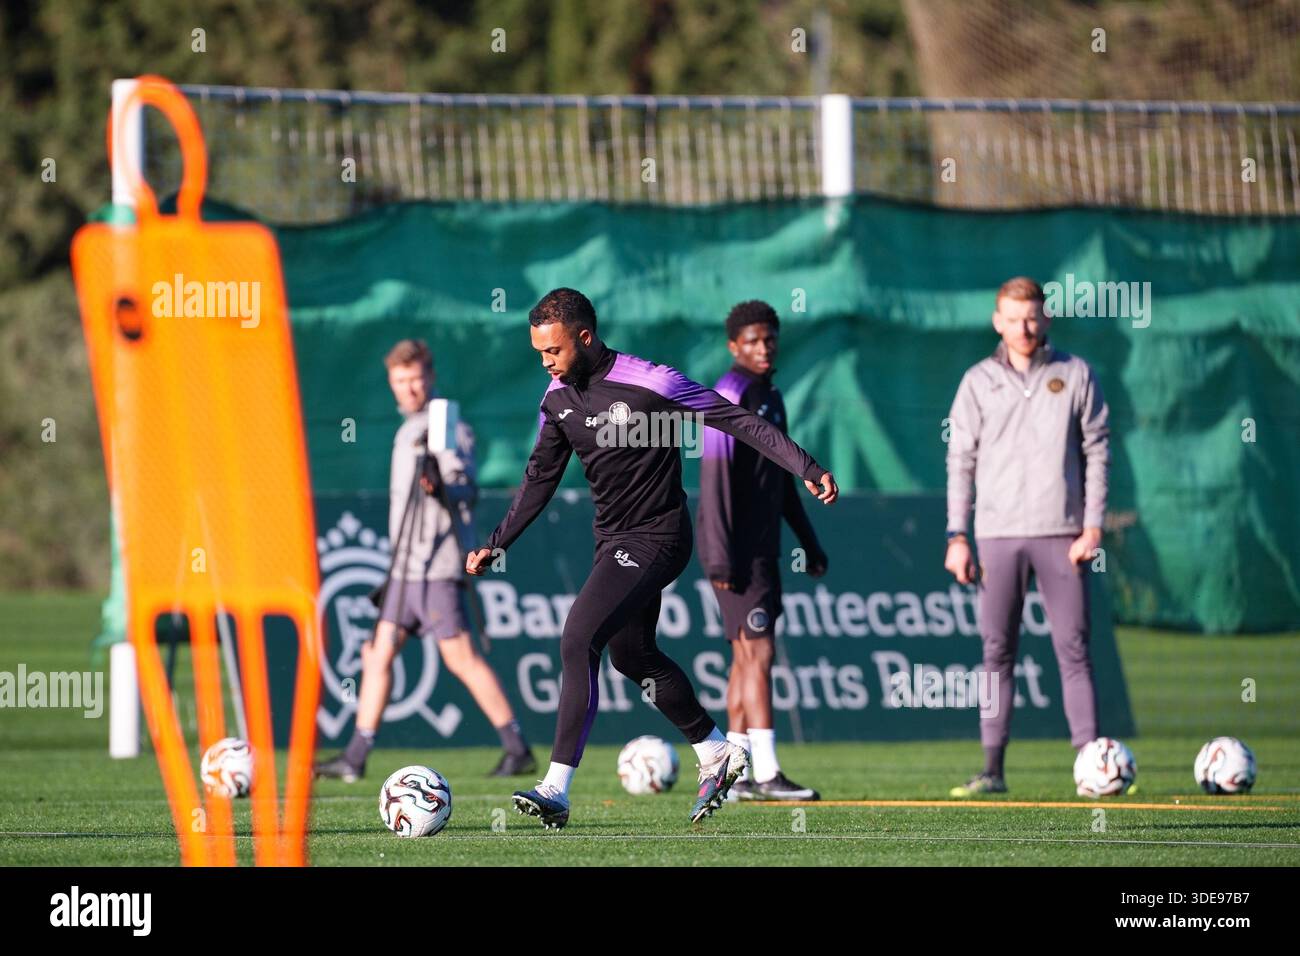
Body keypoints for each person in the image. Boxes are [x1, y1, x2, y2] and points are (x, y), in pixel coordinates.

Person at [466, 289, 838, 829]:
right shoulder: (557, 398)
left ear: (585, 338)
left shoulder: (651, 383)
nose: (545, 362)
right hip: (611, 540)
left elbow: (735, 420)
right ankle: (717, 750)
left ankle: (556, 788)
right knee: (632, 658)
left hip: (659, 537)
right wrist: (496, 542)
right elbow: (538, 481)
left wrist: (804, 465)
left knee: (577, 638)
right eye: (539, 353)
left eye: (553, 351)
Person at [315, 339, 535, 782]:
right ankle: (355, 757)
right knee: (377, 654)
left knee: (461, 659)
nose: (409, 388)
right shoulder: (407, 429)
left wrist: (443, 487)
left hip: (437, 567)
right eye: (400, 381)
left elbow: (465, 488)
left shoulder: (445, 424)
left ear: (430, 378)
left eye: (416, 378)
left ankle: (517, 748)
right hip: (403, 569)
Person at [943, 277, 1110, 796]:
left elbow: (1098, 450)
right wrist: (958, 535)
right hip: (996, 536)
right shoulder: (977, 380)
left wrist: (1093, 525)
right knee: (997, 652)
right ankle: (992, 769)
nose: (1024, 326)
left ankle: (1092, 766)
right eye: (1014, 317)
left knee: (1074, 649)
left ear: (1046, 318)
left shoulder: (1075, 373)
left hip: (1062, 534)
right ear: (997, 321)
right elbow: (960, 461)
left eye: (1033, 316)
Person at [696, 300, 826, 801]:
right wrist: (722, 554)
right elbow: (717, 479)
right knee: (760, 652)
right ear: (733, 346)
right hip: (737, 550)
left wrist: (808, 542)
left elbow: (781, 481)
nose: (763, 347)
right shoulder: (732, 392)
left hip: (762, 548)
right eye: (752, 340)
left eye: (769, 338)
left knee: (744, 658)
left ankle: (737, 774)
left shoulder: (770, 395)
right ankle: (767, 772)